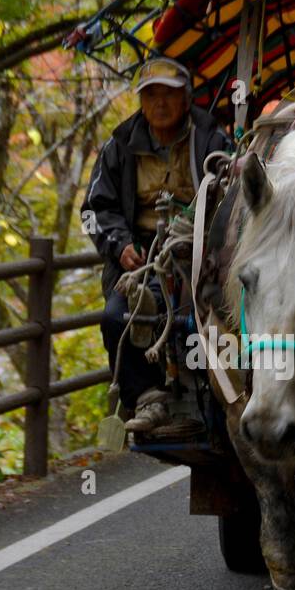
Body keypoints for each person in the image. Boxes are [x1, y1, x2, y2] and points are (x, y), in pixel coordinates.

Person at [82, 57, 231, 435]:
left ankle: (214, 401)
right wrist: (119, 246)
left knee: (210, 323)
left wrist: (204, 241)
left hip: (202, 250)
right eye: (151, 96)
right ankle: (148, 398)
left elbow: (234, 198)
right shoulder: (119, 145)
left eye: (169, 94)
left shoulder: (212, 140)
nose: (160, 104)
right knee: (118, 317)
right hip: (141, 256)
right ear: (141, 102)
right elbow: (93, 210)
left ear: (186, 99)